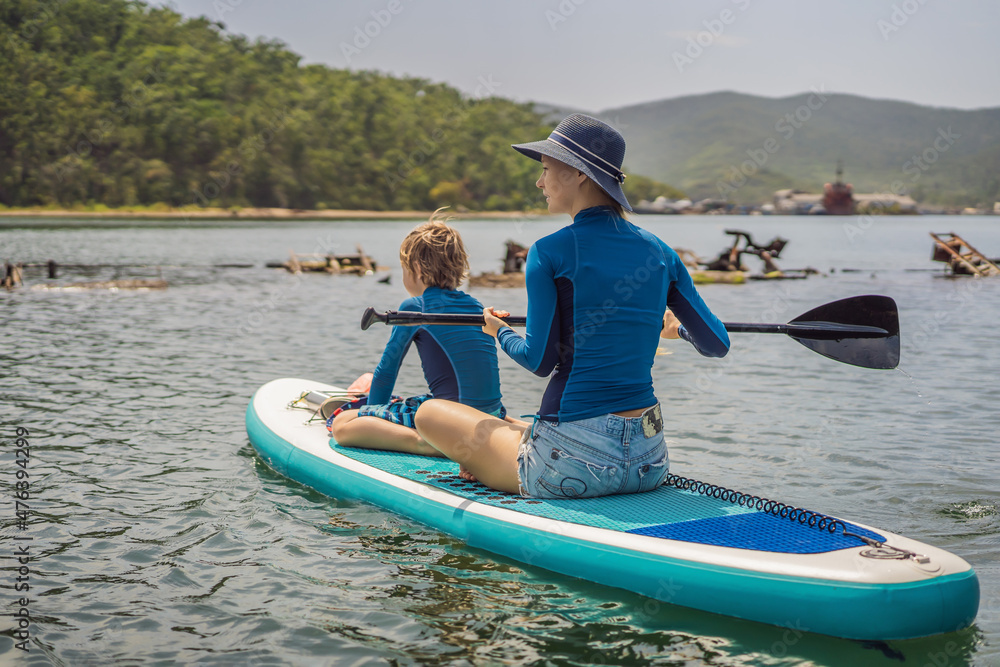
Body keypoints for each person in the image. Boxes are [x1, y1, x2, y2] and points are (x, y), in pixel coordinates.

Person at [413, 114, 730, 498]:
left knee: (428, 413)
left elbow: (539, 361)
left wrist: (500, 331)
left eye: (546, 170)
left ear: (579, 174)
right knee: (520, 424)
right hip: (650, 461)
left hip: (571, 465)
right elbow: (716, 344)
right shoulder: (662, 252)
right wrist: (676, 329)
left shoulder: (548, 252)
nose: (540, 182)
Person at [330, 209, 506, 456]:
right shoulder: (476, 307)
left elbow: (386, 372)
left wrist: (370, 416)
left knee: (342, 426)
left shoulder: (415, 308)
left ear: (416, 269)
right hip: (491, 415)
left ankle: (429, 444)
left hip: (455, 425)